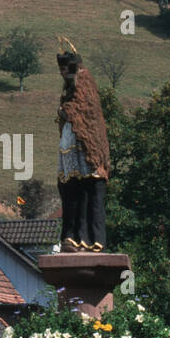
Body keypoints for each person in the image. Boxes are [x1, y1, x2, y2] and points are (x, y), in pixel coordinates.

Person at [56, 37, 110, 251]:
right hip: (70, 149)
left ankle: (91, 239)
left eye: (64, 68)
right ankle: (73, 238)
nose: (62, 73)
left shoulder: (84, 81)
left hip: (87, 148)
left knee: (89, 191)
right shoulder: (69, 87)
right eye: (60, 69)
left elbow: (86, 110)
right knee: (72, 190)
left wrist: (65, 111)